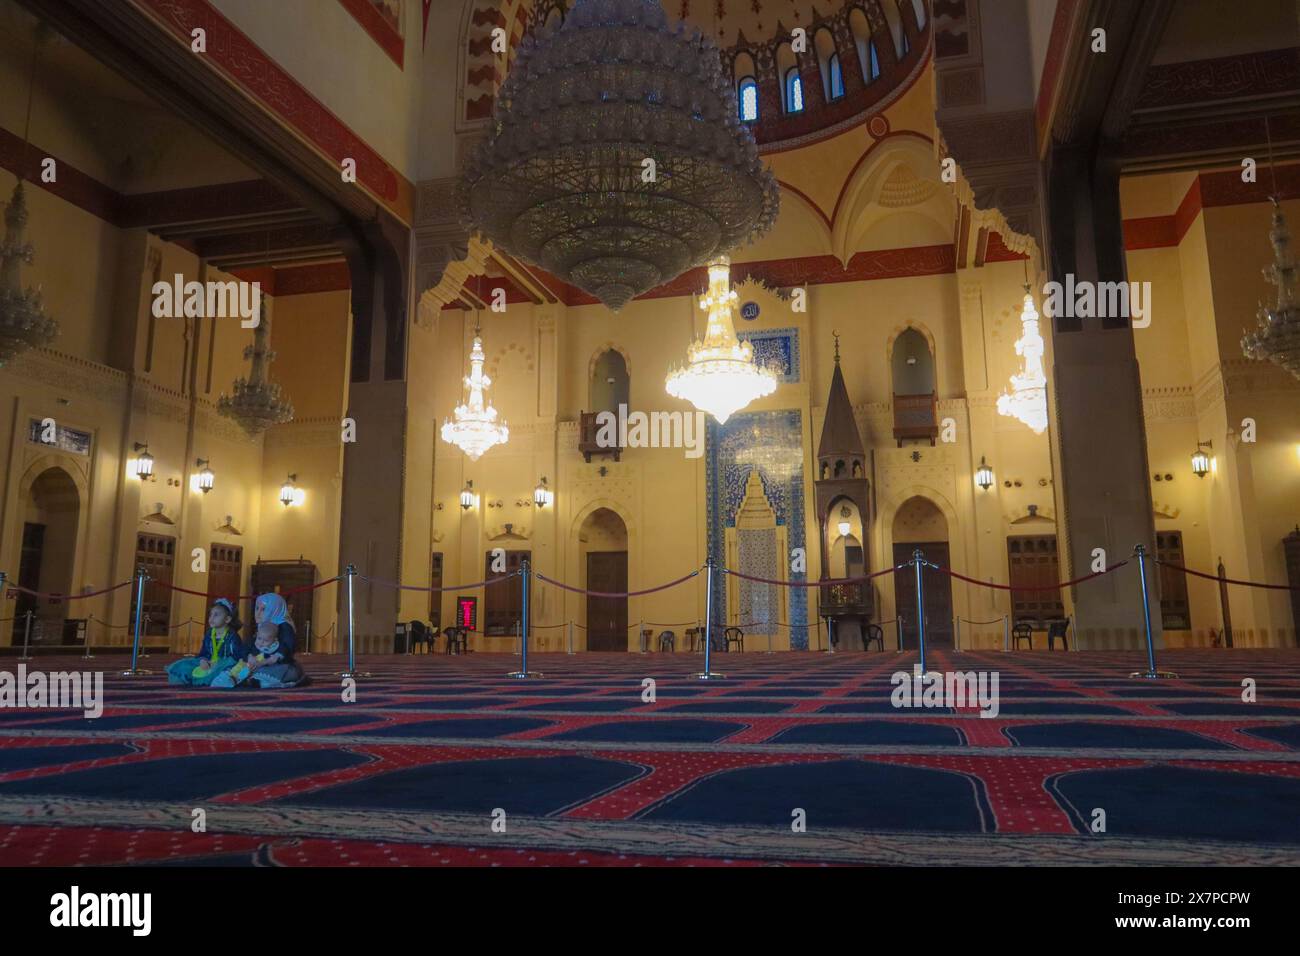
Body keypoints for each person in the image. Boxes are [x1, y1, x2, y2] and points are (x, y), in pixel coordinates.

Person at [166, 598, 244, 686]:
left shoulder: (232, 636)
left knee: (227, 669)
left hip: (224, 666)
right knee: (184, 665)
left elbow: (237, 658)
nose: (211, 618)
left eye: (216, 615)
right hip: (209, 663)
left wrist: (218, 663)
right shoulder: (209, 634)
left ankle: (215, 680)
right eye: (210, 615)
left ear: (227, 619)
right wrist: (203, 661)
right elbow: (203, 653)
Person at [243, 591, 306, 688]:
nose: (258, 613)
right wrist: (250, 656)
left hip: (280, 664)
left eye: (263, 609)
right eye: (257, 608)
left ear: (274, 609)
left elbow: (287, 650)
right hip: (261, 661)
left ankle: (262, 680)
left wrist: (271, 659)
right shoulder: (262, 626)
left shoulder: (284, 627)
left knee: (286, 671)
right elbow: (251, 644)